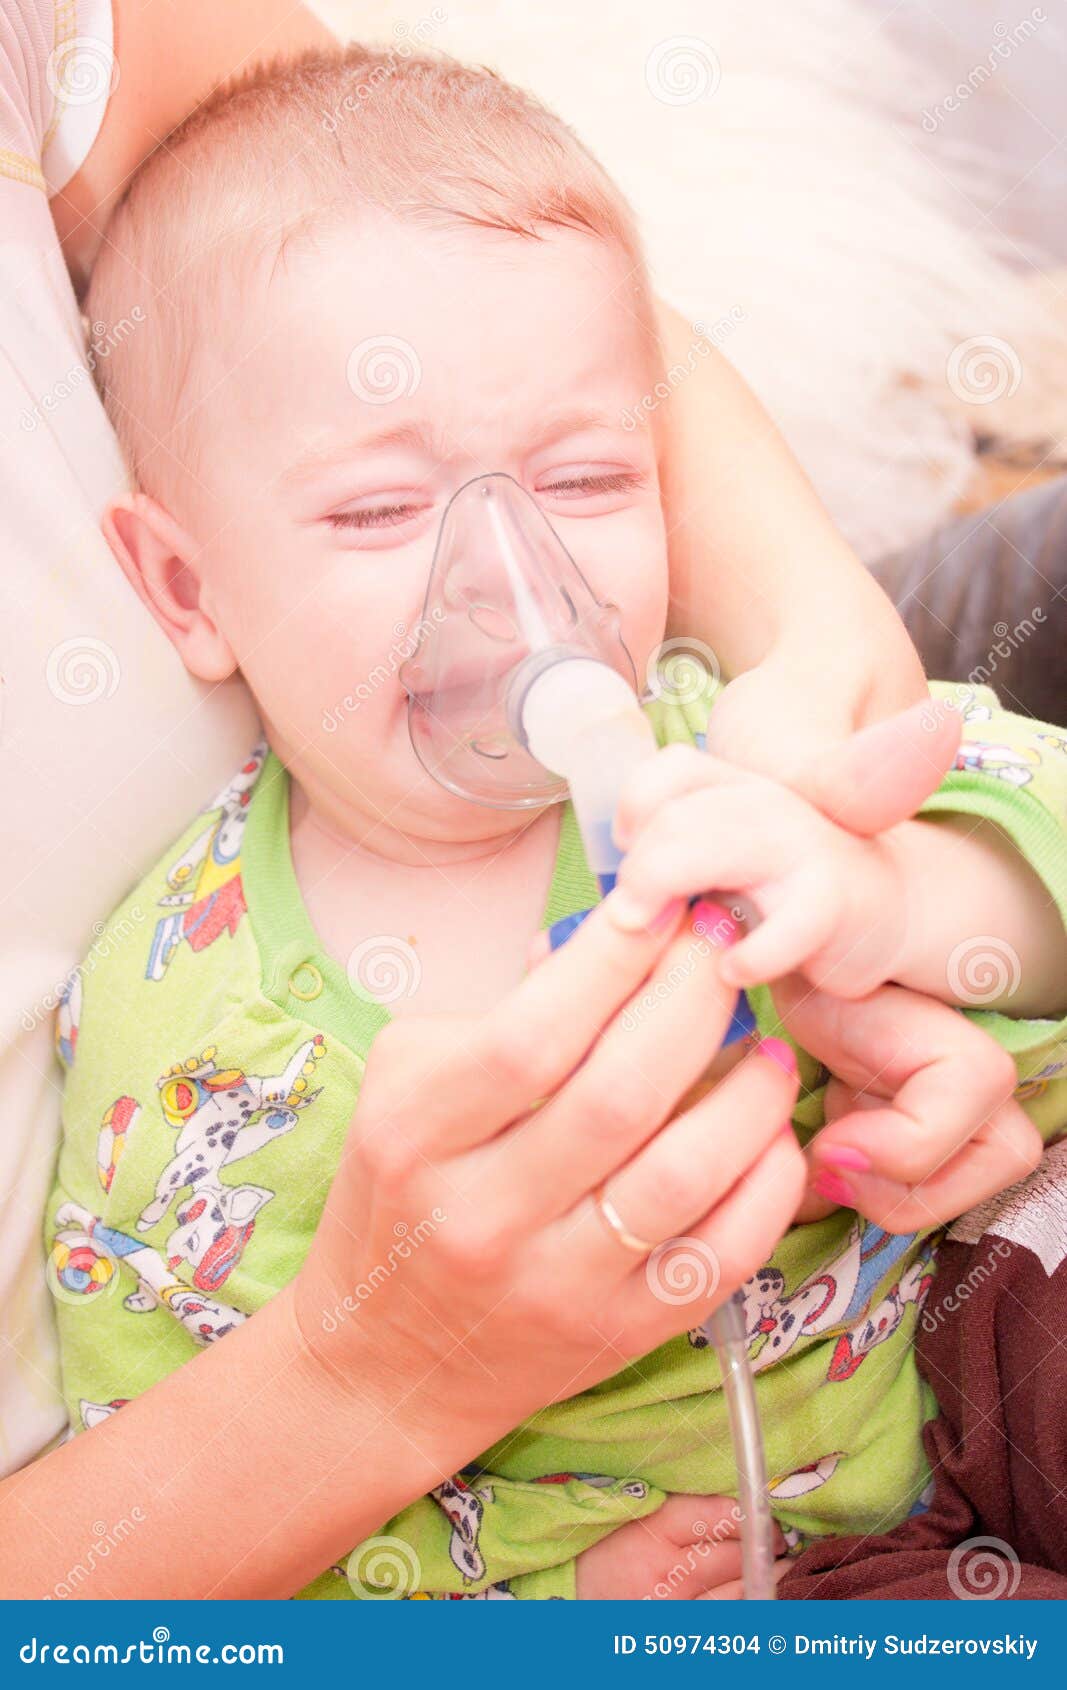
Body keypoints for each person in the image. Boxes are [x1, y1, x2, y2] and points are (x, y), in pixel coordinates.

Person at [43, 45, 1067, 1600]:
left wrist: (892, 899)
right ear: (190, 588)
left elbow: (1028, 833)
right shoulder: (185, 1033)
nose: (511, 579)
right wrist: (527, 1607)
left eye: (586, 477)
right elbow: (181, 1564)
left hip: (967, 1346)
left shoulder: (732, 753)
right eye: (381, 512)